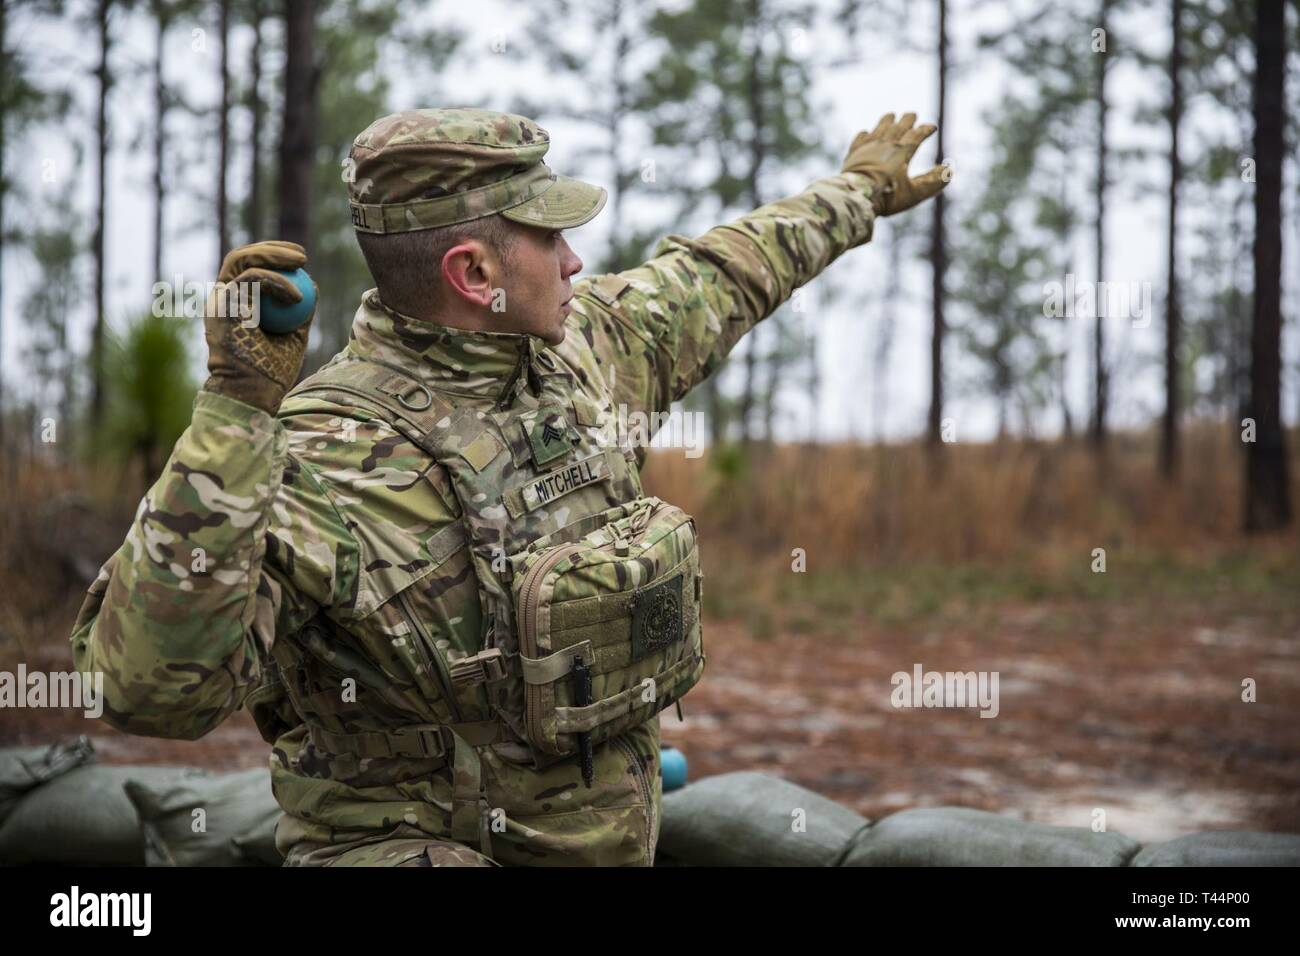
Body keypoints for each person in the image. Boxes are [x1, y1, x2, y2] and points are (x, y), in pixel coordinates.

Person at [70, 107, 949, 866]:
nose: (573, 260)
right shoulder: (322, 463)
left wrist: (858, 190)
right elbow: (146, 688)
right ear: (475, 275)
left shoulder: (585, 355)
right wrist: (234, 413)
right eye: (548, 237)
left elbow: (727, 271)